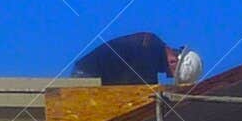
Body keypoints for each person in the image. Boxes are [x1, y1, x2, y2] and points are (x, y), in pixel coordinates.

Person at [73, 33, 201, 85]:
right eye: (169, 73)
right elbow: (145, 92)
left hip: (97, 77)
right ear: (173, 62)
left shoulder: (152, 46)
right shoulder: (148, 50)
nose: (165, 74)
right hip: (87, 77)